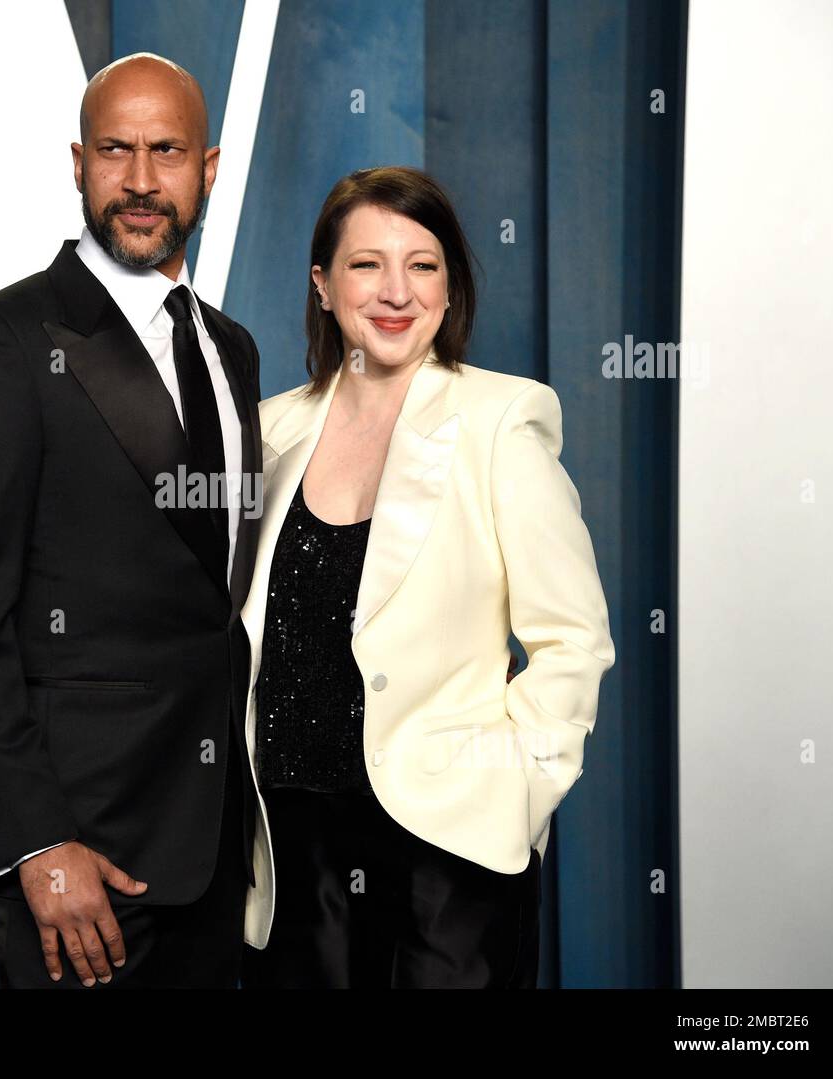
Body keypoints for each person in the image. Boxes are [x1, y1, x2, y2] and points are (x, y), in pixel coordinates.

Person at [0, 53, 264, 989]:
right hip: (80, 860)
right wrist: (35, 843)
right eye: (116, 150)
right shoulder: (3, 341)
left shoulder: (232, 349)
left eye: (167, 151)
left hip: (216, 853)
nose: (142, 182)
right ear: (78, 163)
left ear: (210, 168)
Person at [237, 166, 615, 988]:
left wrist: (513, 795)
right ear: (324, 285)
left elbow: (573, 639)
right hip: (293, 859)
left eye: (424, 264)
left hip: (449, 859)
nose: (396, 290)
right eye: (367, 263)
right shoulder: (268, 434)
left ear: (450, 288)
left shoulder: (500, 422)